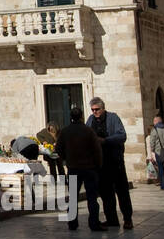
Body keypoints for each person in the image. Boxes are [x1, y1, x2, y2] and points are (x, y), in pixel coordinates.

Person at [56, 106, 104, 231]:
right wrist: (98, 165)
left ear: (71, 117)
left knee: (72, 197)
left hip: (73, 168)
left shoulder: (65, 131)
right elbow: (97, 150)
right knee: (92, 197)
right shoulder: (88, 131)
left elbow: (58, 149)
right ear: (81, 116)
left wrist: (67, 159)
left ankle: (72, 223)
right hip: (89, 168)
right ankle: (94, 223)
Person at [87, 97, 132, 229]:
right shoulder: (90, 120)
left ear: (103, 108)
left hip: (115, 161)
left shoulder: (113, 118)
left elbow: (122, 135)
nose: (95, 112)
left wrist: (105, 140)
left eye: (97, 109)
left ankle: (128, 219)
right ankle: (111, 219)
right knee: (106, 193)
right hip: (100, 163)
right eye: (93, 110)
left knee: (122, 191)